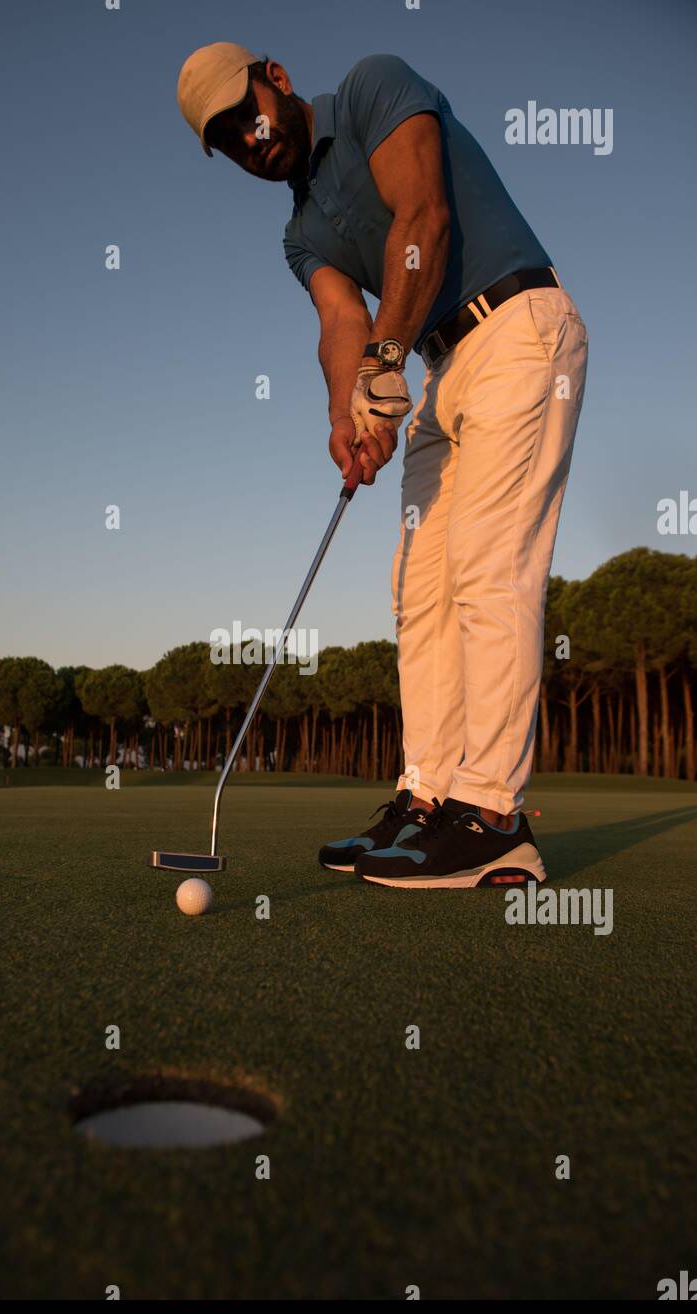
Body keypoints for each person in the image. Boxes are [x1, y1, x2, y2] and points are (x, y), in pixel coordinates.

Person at [177, 43, 588, 889]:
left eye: (246, 112)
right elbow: (339, 322)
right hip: (438, 369)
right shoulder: (299, 233)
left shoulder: (372, 88)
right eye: (226, 140)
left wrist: (382, 362)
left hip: (517, 327)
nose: (250, 139)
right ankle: (426, 800)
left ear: (276, 78)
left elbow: (421, 219)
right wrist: (348, 414)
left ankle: (492, 818)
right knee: (419, 590)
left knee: (486, 567)